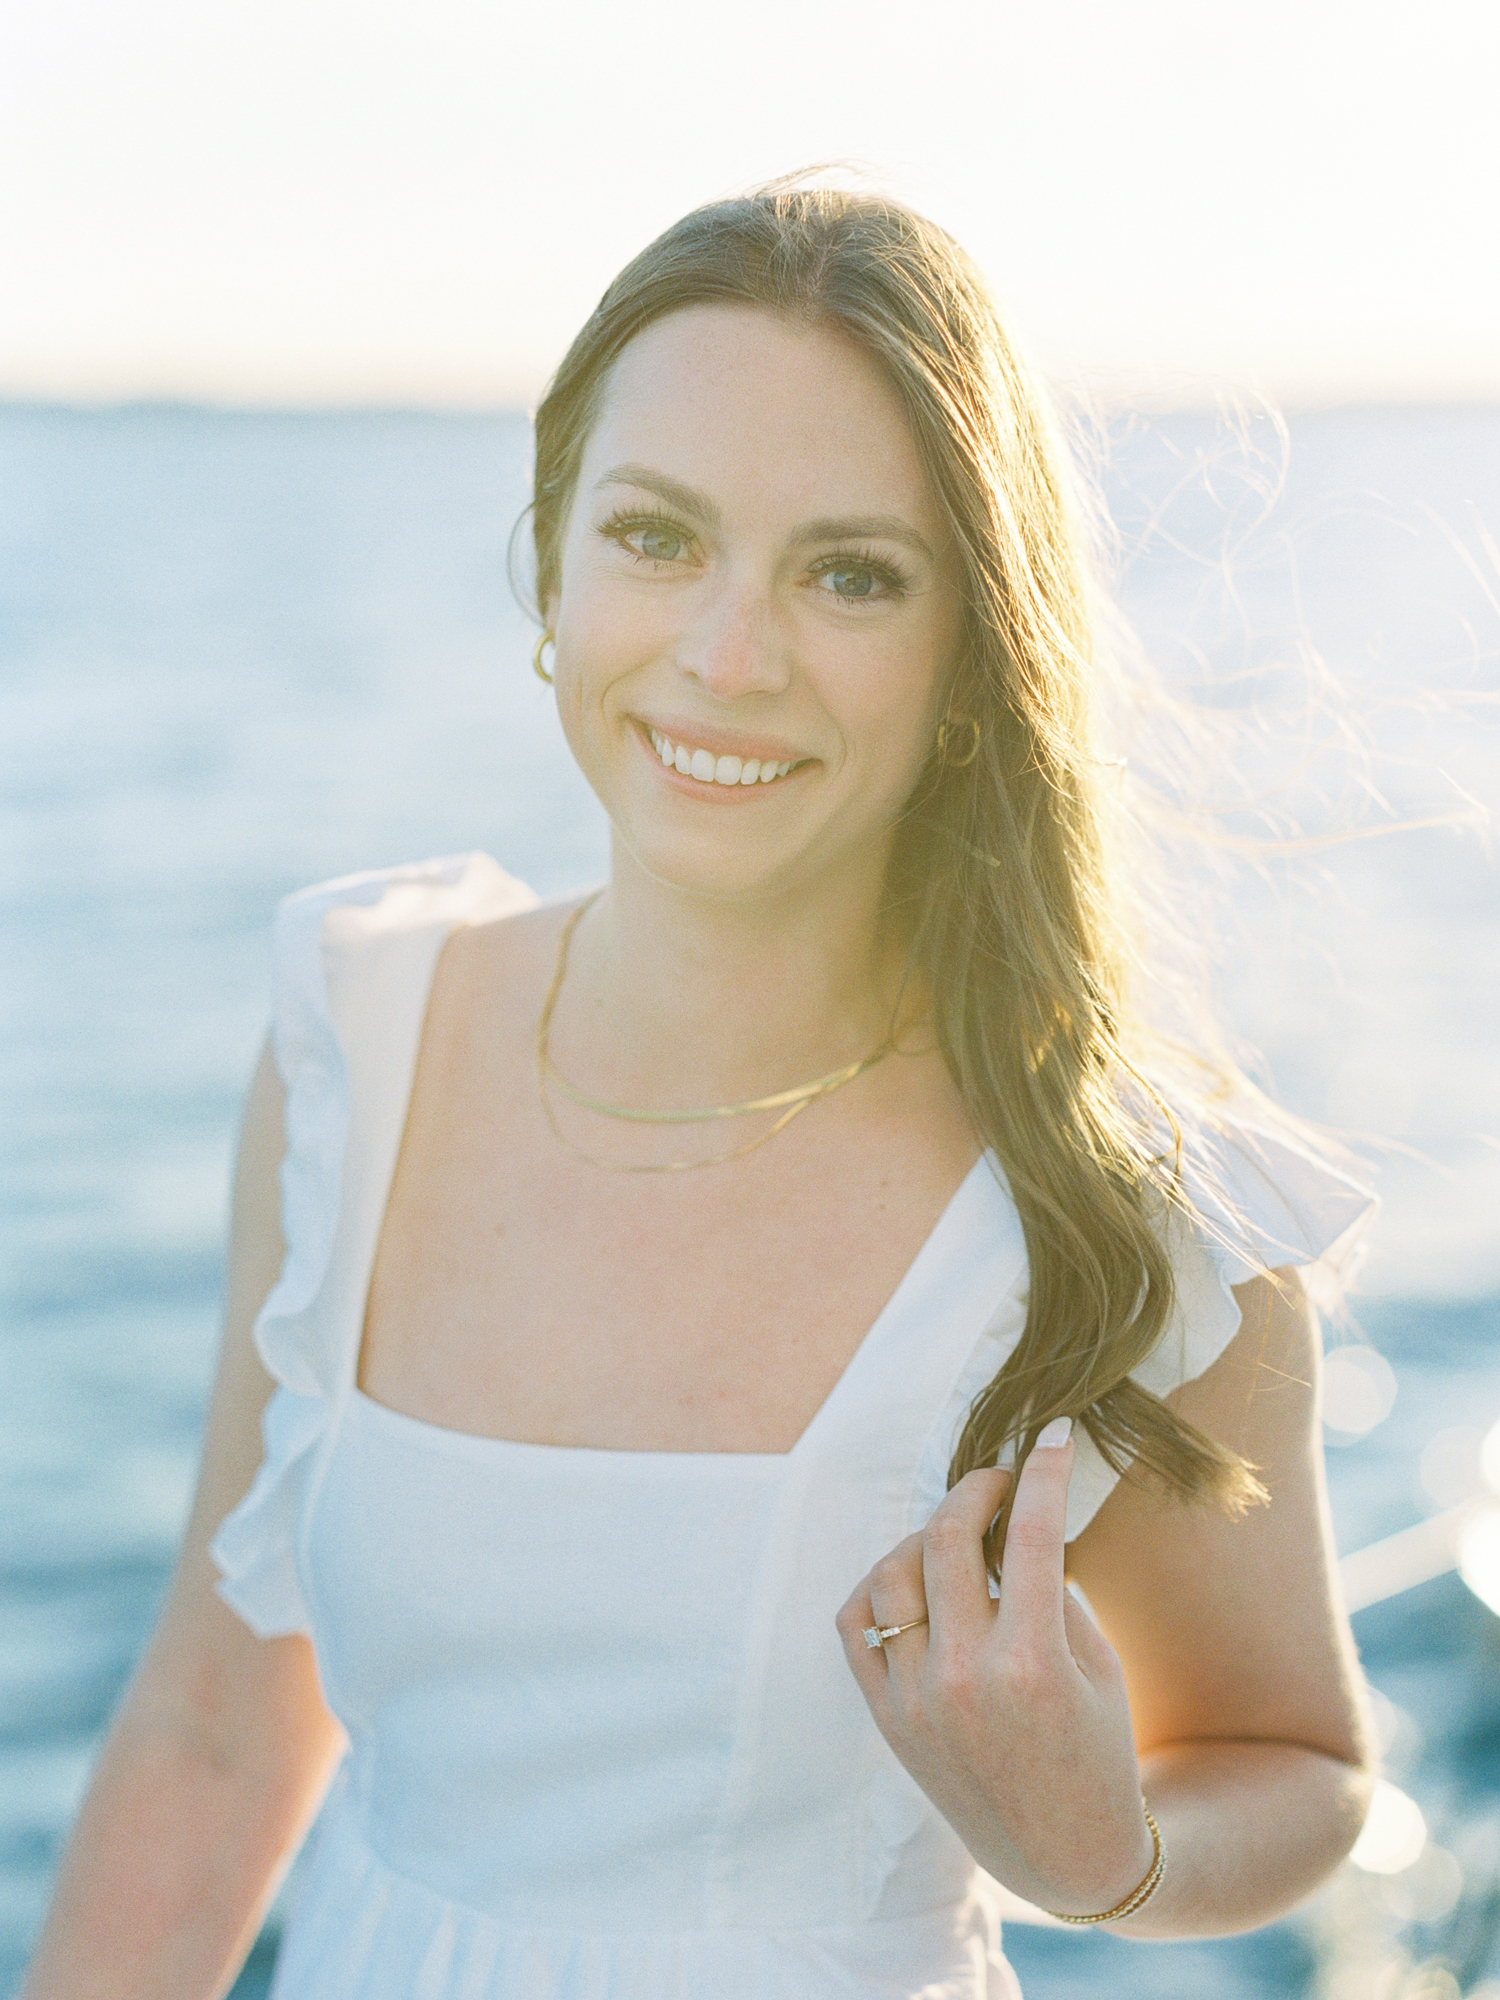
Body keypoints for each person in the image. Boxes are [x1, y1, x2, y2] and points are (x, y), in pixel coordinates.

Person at [23, 182, 1378, 2000]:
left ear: (975, 649)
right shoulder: (359, 1039)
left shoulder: (1123, 1201)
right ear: (554, 560)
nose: (728, 657)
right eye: (658, 539)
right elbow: (213, 1722)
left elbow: (1297, 1766)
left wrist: (1107, 1857)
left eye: (848, 573)